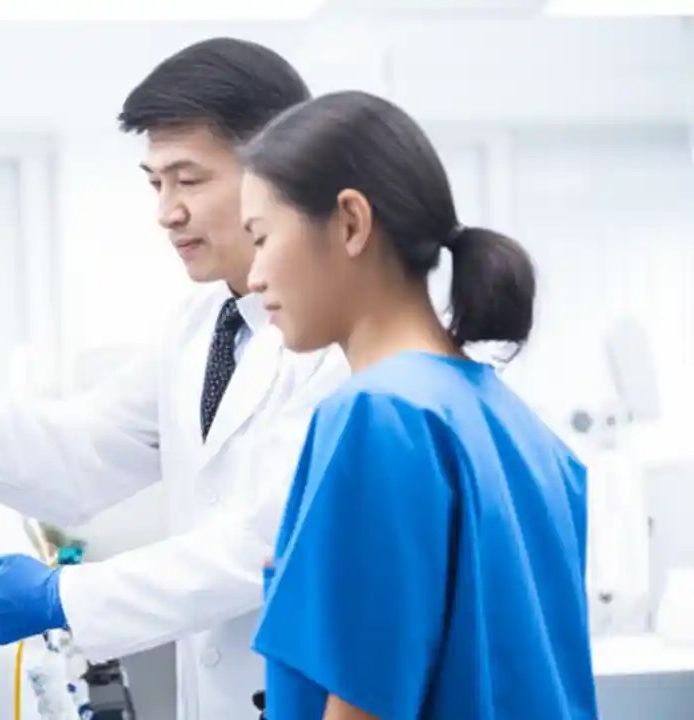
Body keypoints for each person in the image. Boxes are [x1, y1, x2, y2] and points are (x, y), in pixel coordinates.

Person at [0, 38, 348, 718]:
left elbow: (262, 544)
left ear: (278, 171)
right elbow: (85, 452)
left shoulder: (338, 339)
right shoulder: (200, 327)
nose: (166, 210)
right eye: (155, 183)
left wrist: (62, 598)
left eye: (188, 180)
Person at [237, 90, 597, 719]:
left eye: (262, 238)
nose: (254, 276)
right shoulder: (530, 437)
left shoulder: (378, 415)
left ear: (350, 223)